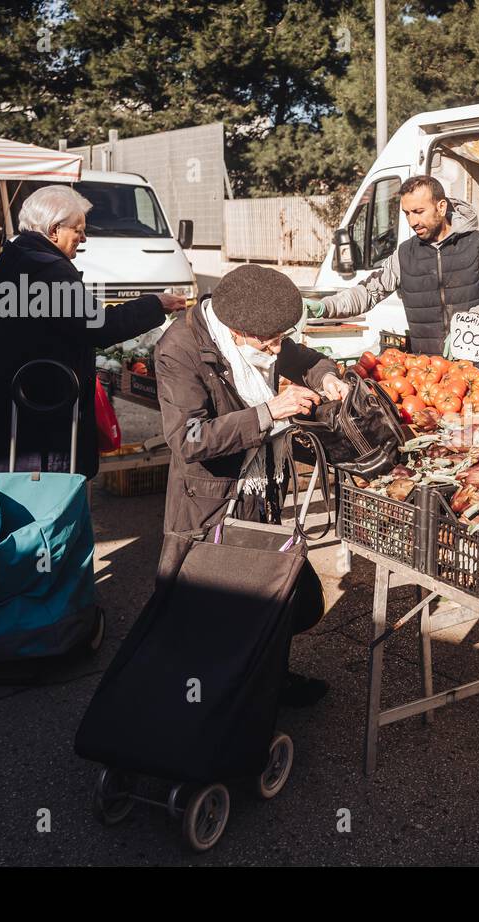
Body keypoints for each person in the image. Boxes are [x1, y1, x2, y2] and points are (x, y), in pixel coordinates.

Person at [155, 264, 348, 705]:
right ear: (236, 328)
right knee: (208, 609)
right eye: (269, 340)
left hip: (260, 487)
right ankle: (199, 703)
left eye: (281, 336)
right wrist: (269, 413)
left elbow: (299, 356)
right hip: (210, 500)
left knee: (272, 597)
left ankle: (268, 682)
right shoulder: (180, 349)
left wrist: (326, 376)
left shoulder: (261, 334)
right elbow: (189, 439)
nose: (277, 347)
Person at [0, 185, 184, 482]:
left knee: (14, 489)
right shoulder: (47, 271)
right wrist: (155, 304)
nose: (84, 238)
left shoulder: (17, 258)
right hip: (40, 409)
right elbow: (100, 326)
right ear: (53, 230)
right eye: (78, 230)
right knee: (44, 497)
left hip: (16, 403)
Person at [308, 175, 479, 382]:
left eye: (419, 212)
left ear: (441, 207)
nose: (413, 221)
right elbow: (367, 292)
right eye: (407, 213)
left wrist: (470, 321)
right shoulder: (404, 254)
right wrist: (323, 308)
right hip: (430, 374)